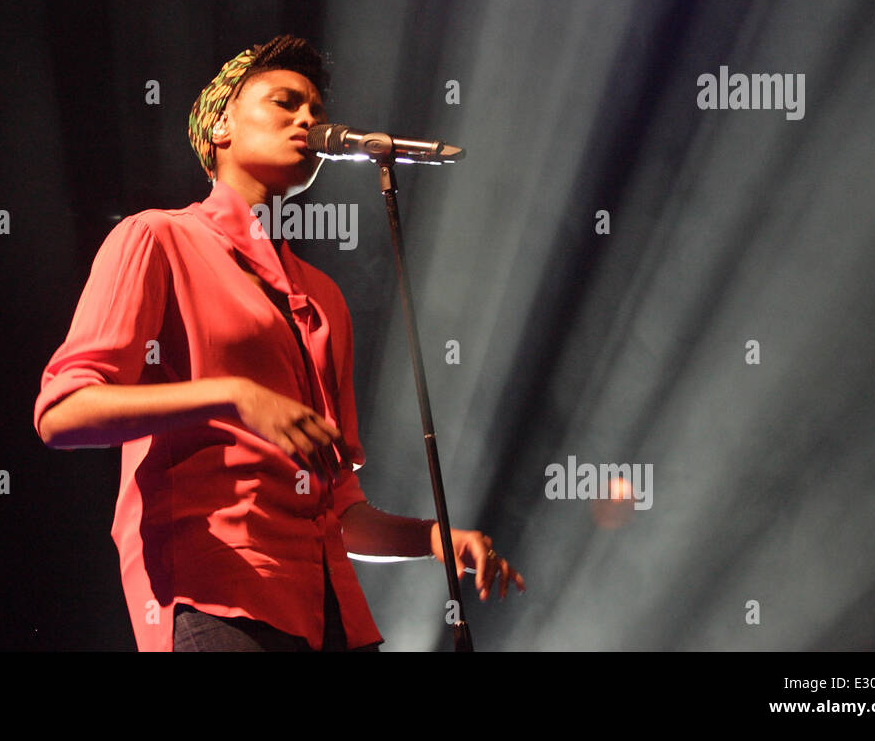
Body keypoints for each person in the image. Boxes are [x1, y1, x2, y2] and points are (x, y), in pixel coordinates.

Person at [33, 35, 522, 651]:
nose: (309, 121)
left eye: (317, 111)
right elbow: (62, 413)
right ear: (220, 126)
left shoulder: (322, 298)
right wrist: (233, 396)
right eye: (285, 103)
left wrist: (434, 540)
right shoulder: (157, 240)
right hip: (219, 596)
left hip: (330, 614)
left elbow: (341, 512)